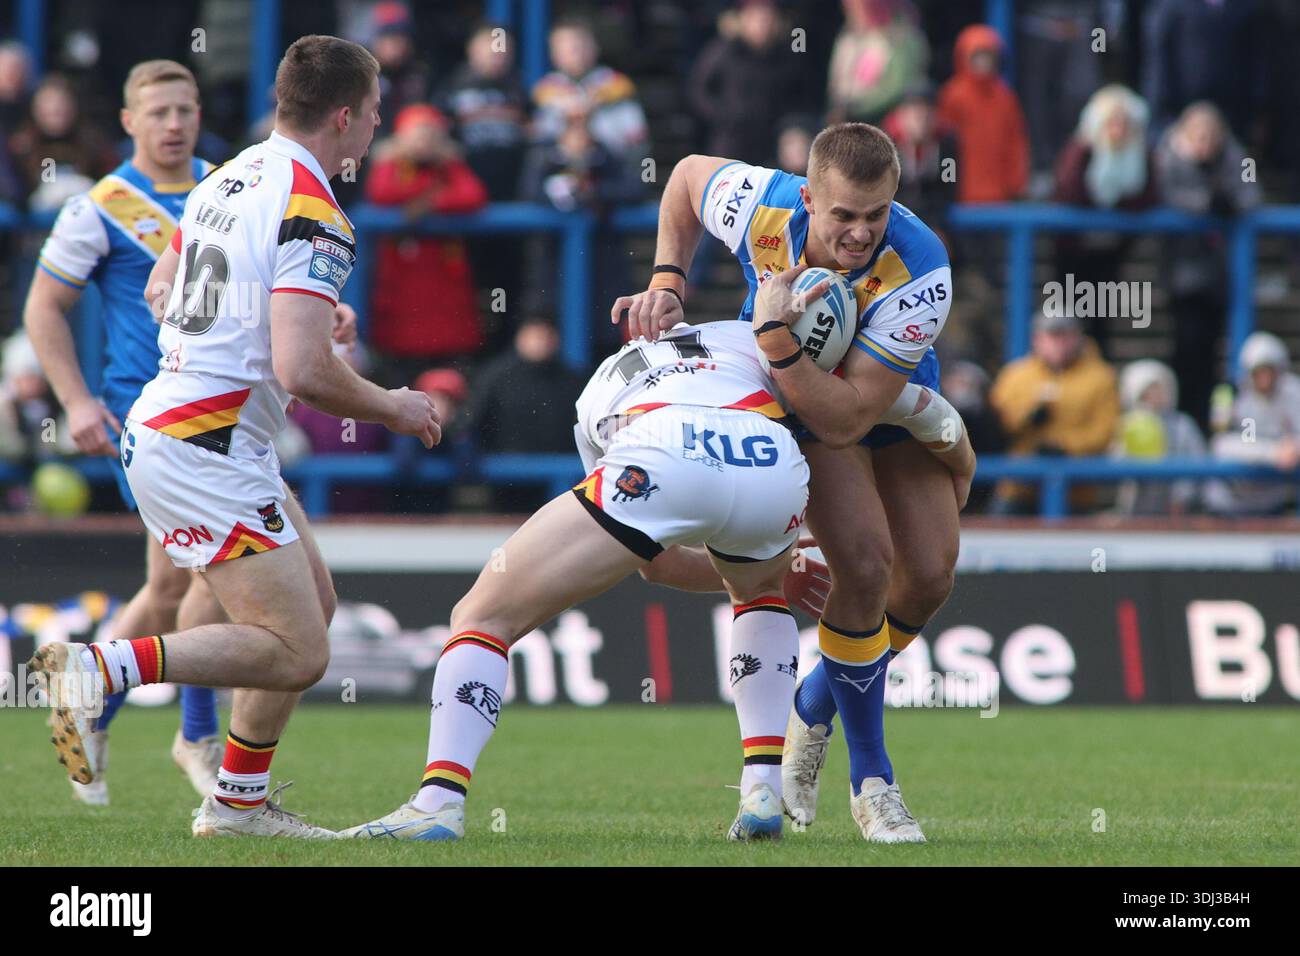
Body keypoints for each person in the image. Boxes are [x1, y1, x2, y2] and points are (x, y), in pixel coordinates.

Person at [29, 35, 440, 839]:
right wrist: (396, 405)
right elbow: (305, 372)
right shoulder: (314, 209)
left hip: (187, 430)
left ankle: (238, 803)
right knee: (298, 651)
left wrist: (297, 312)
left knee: (311, 609)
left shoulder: (232, 174)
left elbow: (162, 282)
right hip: (203, 443)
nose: (379, 128)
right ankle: (103, 667)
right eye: (376, 114)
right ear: (347, 117)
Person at [344, 315, 963, 843]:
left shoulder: (595, 391)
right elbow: (884, 402)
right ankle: (762, 791)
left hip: (659, 444)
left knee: (482, 616)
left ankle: (438, 802)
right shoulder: (755, 338)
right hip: (769, 455)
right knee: (759, 593)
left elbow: (656, 564)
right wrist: (949, 437)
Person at [612, 123, 974, 843]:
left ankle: (816, 697)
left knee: (930, 573)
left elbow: (853, 415)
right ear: (809, 198)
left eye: (877, 215)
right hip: (795, 401)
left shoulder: (921, 267)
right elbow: (684, 176)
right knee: (866, 566)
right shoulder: (764, 204)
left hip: (874, 401)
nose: (860, 233)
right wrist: (666, 280)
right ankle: (873, 784)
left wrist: (775, 335)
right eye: (842, 216)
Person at [22, 60, 233, 807]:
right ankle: (198, 739)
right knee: (209, 574)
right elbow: (44, 308)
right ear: (128, 122)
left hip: (230, 412)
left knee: (172, 583)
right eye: (159, 112)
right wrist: (76, 400)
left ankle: (89, 698)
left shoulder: (228, 187)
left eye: (186, 109)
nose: (175, 124)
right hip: (145, 420)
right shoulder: (101, 206)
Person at [364, 104, 489, 383]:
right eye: (415, 135)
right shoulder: (391, 165)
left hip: (445, 295)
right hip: (401, 291)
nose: (422, 143)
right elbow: (381, 193)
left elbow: (473, 196)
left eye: (429, 135)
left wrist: (428, 202)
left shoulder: (449, 167)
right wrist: (432, 194)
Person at [988, 311, 1119, 515]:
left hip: (1075, 488)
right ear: (1036, 340)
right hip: (1019, 485)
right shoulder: (1016, 375)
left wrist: (1064, 446)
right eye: (1052, 336)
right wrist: (1027, 416)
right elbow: (997, 421)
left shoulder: (1100, 377)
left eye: (1065, 336)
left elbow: (1104, 431)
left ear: (1078, 338)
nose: (1059, 343)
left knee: (1073, 544)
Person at [1205, 332, 1300, 517]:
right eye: (1258, 371)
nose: (1264, 378)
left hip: (1274, 502)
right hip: (1227, 503)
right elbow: (1221, 443)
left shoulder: (1293, 392)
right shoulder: (1231, 394)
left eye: (1269, 370)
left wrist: (1294, 447)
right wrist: (1272, 452)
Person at [1113, 359, 1205, 516]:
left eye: (1158, 389)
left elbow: (1197, 461)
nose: (1155, 396)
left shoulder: (1183, 425)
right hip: (1136, 510)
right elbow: (1117, 464)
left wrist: (1180, 500)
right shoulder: (1126, 424)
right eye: (1147, 392)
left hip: (1177, 512)